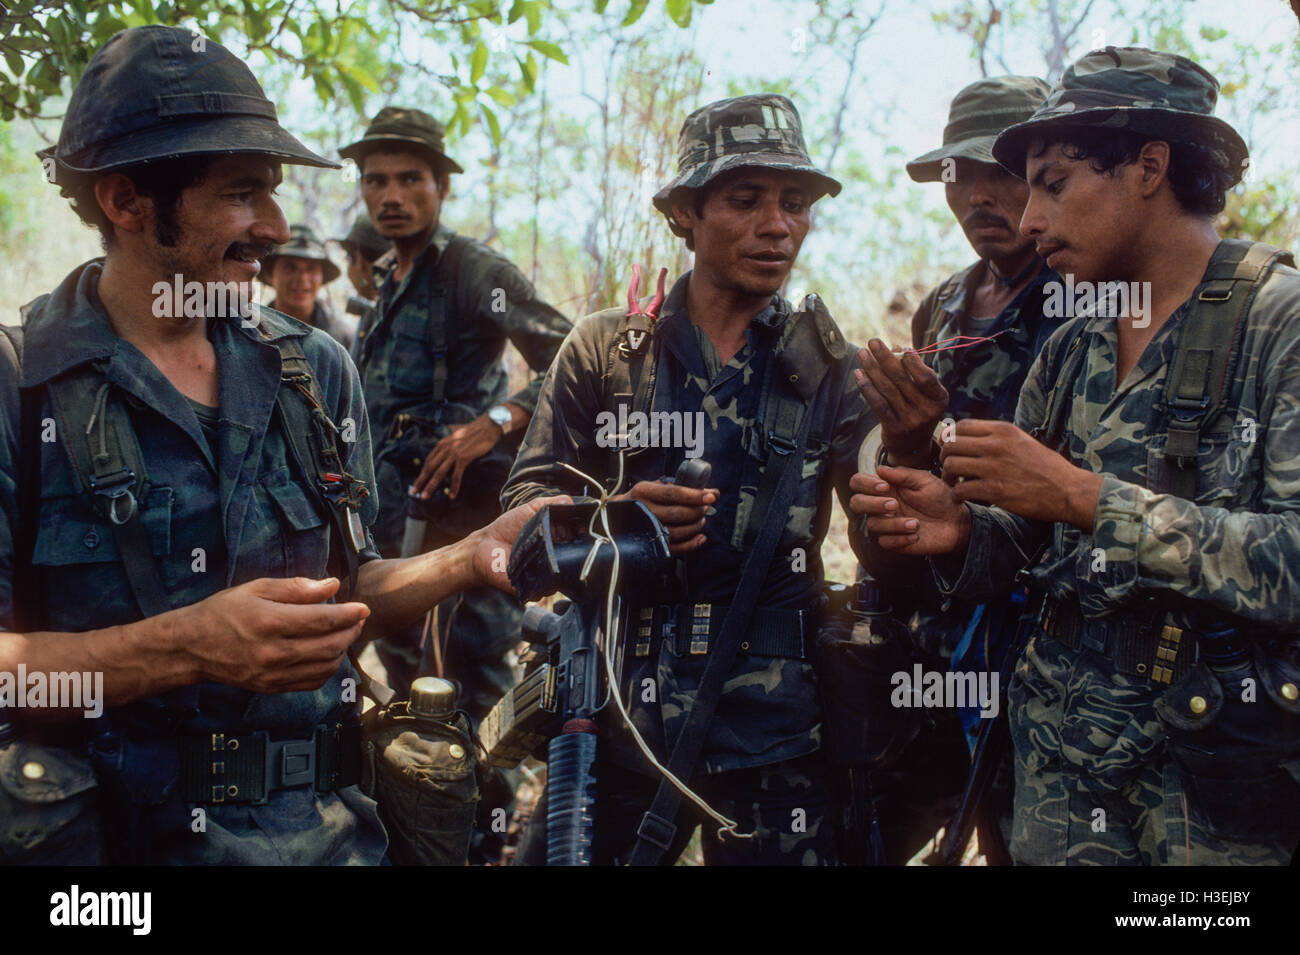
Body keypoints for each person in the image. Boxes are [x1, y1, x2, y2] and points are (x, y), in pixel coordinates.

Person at [0, 24, 558, 866]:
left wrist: (470, 556)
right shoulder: (20, 383)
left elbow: (346, 582)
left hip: (327, 835)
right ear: (124, 201)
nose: (274, 224)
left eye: (272, 191)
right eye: (241, 193)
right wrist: (180, 647)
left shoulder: (313, 370)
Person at [853, 46, 1300, 865]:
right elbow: (1026, 548)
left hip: (1216, 786)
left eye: (1053, 185)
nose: (1027, 219)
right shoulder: (1073, 349)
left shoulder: (1279, 325)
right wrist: (959, 527)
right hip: (1060, 770)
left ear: (1150, 167)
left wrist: (1089, 498)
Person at [503, 93, 874, 865]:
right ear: (685, 213)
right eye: (745, 200)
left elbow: (888, 543)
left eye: (796, 203)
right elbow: (523, 520)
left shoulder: (831, 369)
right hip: (613, 717)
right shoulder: (607, 350)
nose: (778, 225)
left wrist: (908, 454)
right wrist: (611, 518)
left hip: (775, 732)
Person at [341, 105, 572, 862]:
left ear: (441, 186)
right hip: (390, 522)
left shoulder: (475, 271)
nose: (391, 196)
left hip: (457, 529)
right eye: (376, 181)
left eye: (411, 179)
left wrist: (498, 418)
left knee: (464, 695)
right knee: (408, 687)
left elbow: (574, 353)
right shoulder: (387, 275)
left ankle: (483, 841)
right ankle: (425, 832)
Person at [853, 75, 1058, 864]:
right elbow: (912, 449)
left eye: (1001, 174)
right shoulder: (942, 305)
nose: (978, 197)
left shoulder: (1088, 293)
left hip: (1035, 630)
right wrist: (898, 450)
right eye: (959, 177)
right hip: (935, 630)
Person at [260, 224, 356, 350]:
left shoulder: (342, 337)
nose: (302, 279)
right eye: (291, 268)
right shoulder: (253, 333)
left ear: (322, 277)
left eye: (311, 269)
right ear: (270, 274)